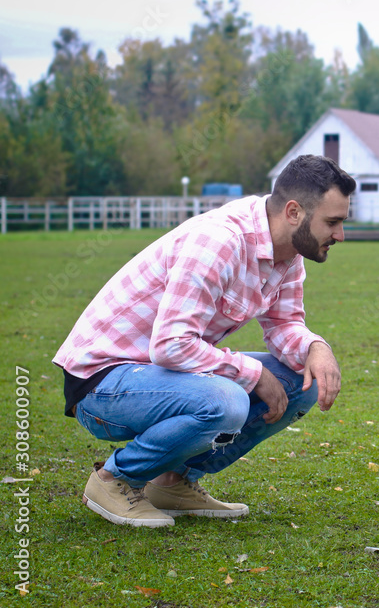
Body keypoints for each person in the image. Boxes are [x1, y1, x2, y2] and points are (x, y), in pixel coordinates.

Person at [53, 154, 356, 528]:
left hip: (158, 373)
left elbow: (284, 324)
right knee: (225, 401)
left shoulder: (289, 253)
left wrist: (315, 348)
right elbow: (170, 344)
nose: (340, 235)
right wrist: (254, 373)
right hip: (102, 381)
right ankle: (115, 479)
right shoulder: (220, 241)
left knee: (301, 382)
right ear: (294, 212)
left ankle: (173, 482)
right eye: (333, 222)